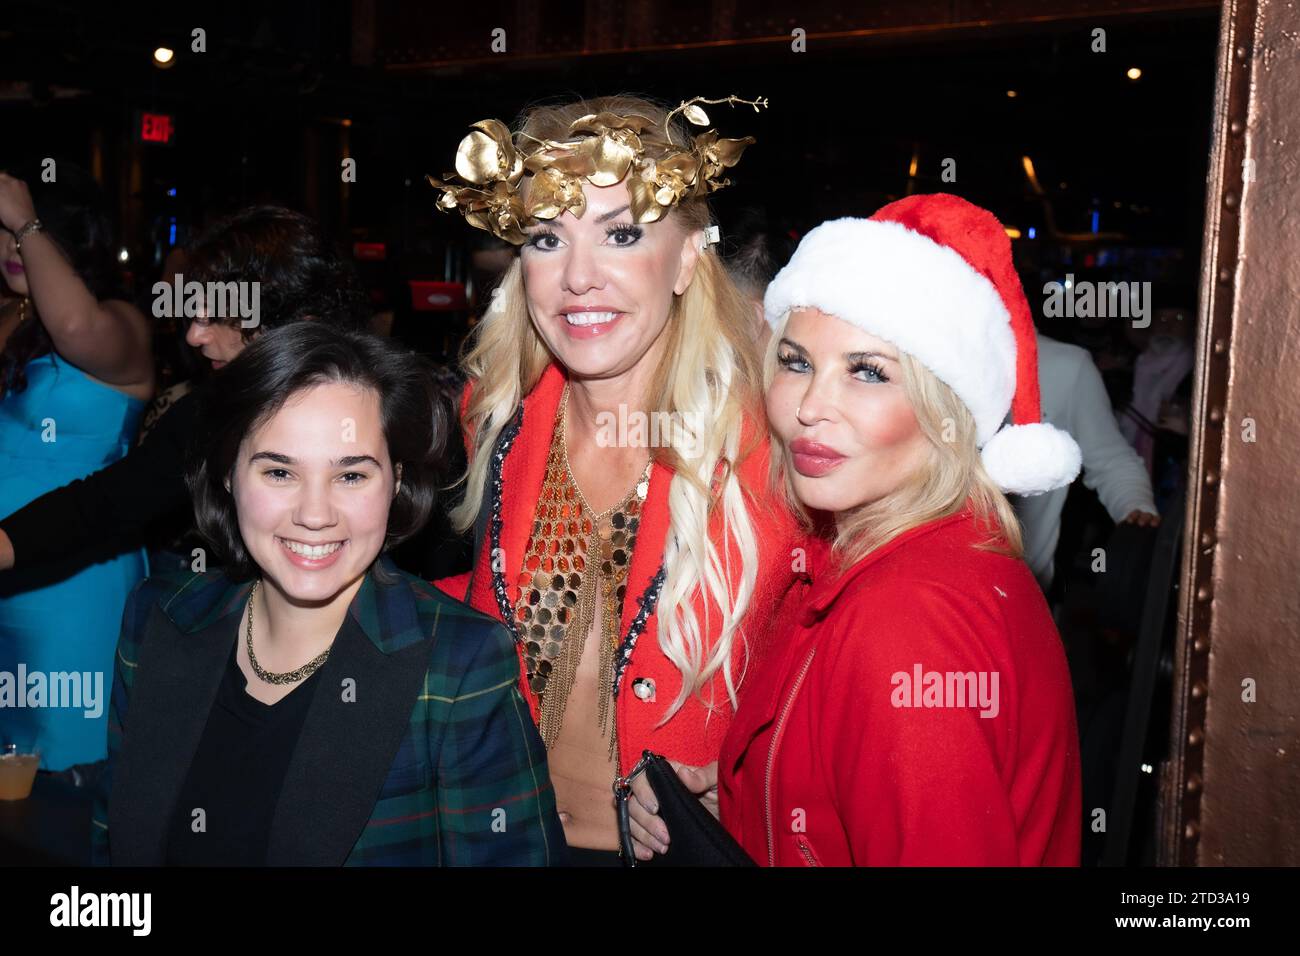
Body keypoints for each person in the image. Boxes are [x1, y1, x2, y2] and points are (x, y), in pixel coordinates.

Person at [427, 93, 803, 864]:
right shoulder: (493, 419)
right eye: (545, 239)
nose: (578, 278)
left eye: (621, 234)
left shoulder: (781, 449)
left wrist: (749, 776)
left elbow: (843, 676)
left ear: (688, 257)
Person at [92, 322, 564, 865]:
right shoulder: (158, 618)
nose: (314, 516)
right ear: (228, 473)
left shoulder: (459, 667)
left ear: (395, 480)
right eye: (278, 472)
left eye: (351, 477)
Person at [714, 195, 1083, 865]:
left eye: (867, 372)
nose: (809, 407)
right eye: (796, 362)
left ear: (948, 410)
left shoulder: (907, 616)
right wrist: (735, 799)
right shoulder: (922, 558)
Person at [0, 206, 372, 579]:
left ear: (293, 322)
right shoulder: (211, 412)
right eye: (195, 311)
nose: (195, 336)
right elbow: (105, 503)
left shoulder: (385, 412)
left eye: (217, 315)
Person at [0, 164, 154, 771]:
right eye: (5, 233)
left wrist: (23, 217)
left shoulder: (122, 323)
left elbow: (72, 326)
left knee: (64, 759)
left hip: (71, 578)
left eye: (37, 233)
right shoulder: (7, 317)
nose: (16, 246)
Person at [1013, 331, 1160, 590]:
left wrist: (1136, 510)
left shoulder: (1065, 365)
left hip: (1021, 592)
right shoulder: (929, 355)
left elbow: (1111, 460)